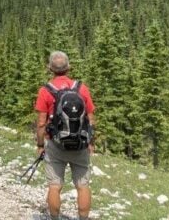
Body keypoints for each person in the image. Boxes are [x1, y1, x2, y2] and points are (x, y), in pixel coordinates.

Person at [35, 51, 96, 220]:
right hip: (80, 145)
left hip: (55, 145)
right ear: (69, 68)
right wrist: (90, 141)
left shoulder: (45, 91)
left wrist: (40, 145)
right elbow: (91, 118)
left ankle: (55, 218)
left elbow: (41, 123)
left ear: (50, 68)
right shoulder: (81, 88)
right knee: (83, 186)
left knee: (55, 186)